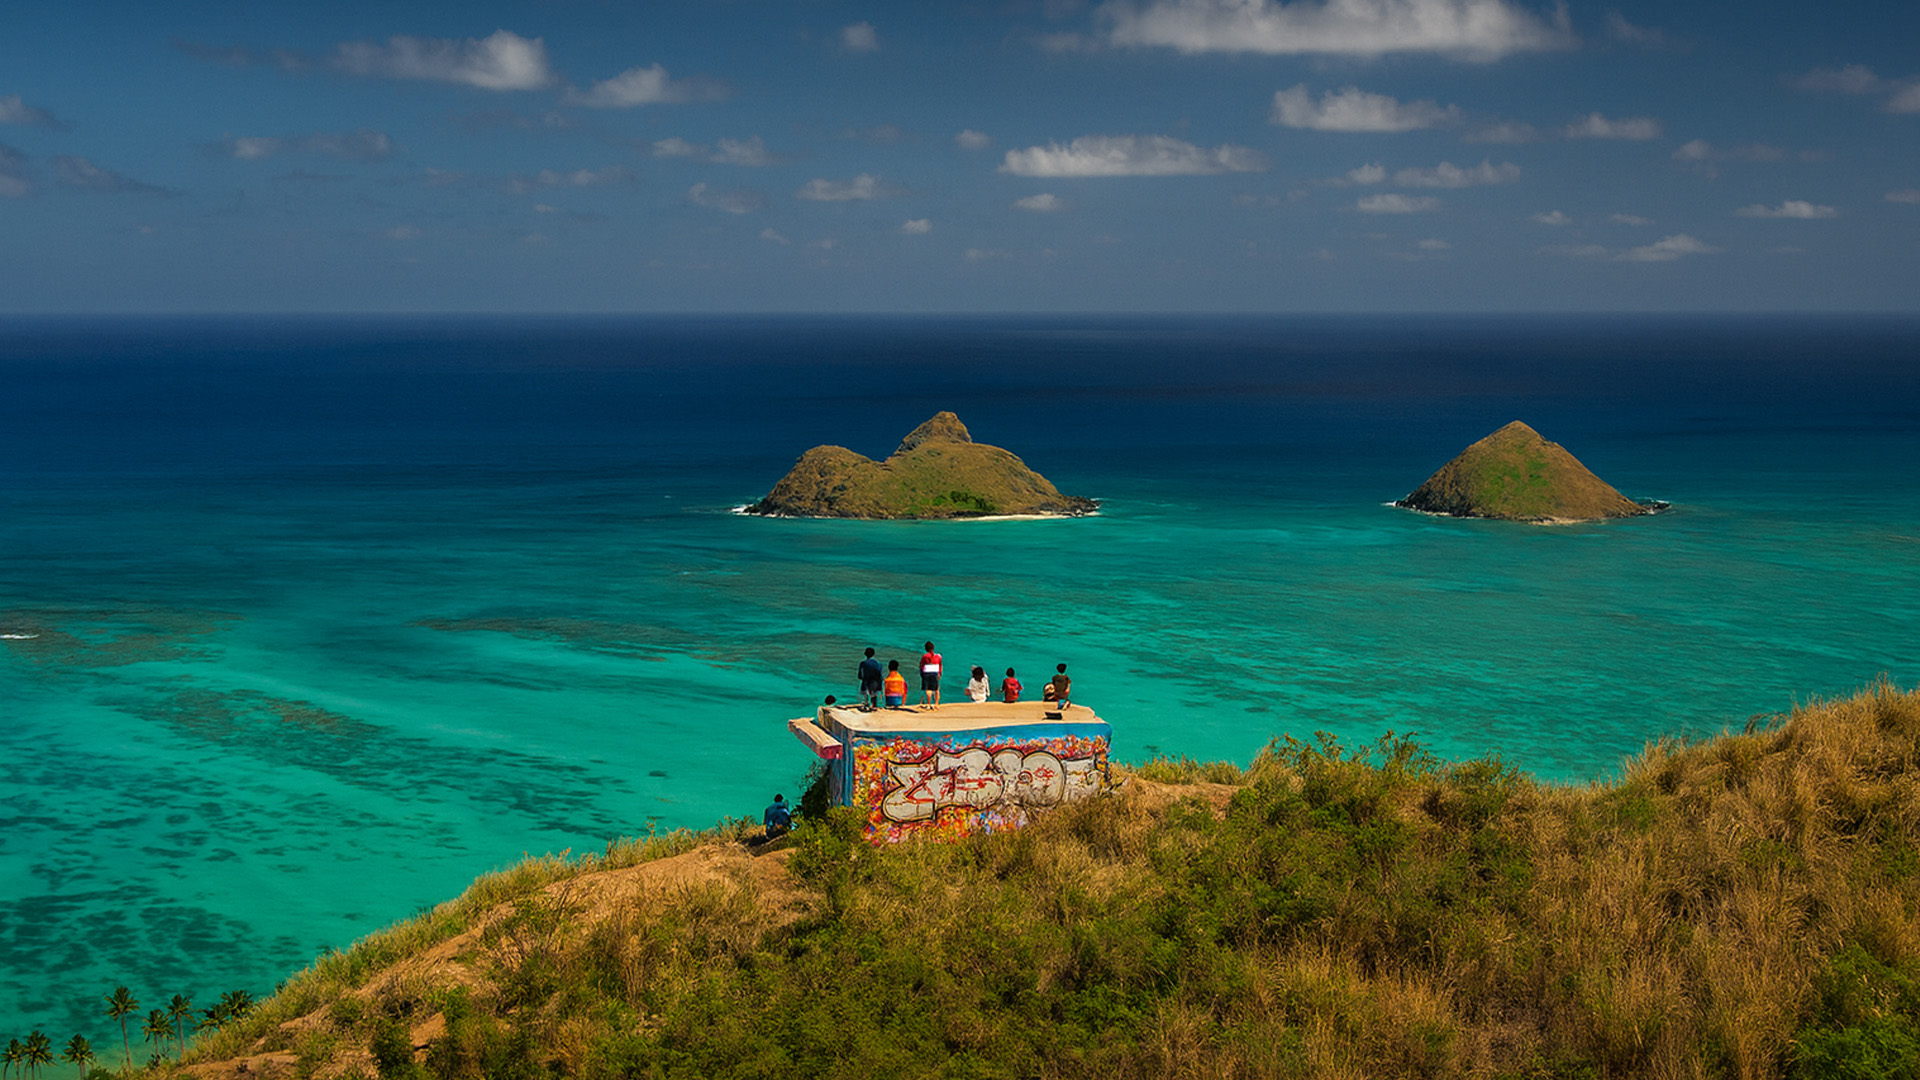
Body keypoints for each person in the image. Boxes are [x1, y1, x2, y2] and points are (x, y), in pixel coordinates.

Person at [919, 640, 943, 706]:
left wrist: (921, 673)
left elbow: (921, 665)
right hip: (935, 671)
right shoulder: (938, 656)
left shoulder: (925, 656)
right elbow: (940, 665)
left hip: (926, 672)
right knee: (936, 688)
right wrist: (940, 673)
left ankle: (929, 703)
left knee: (928, 688)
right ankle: (936, 703)